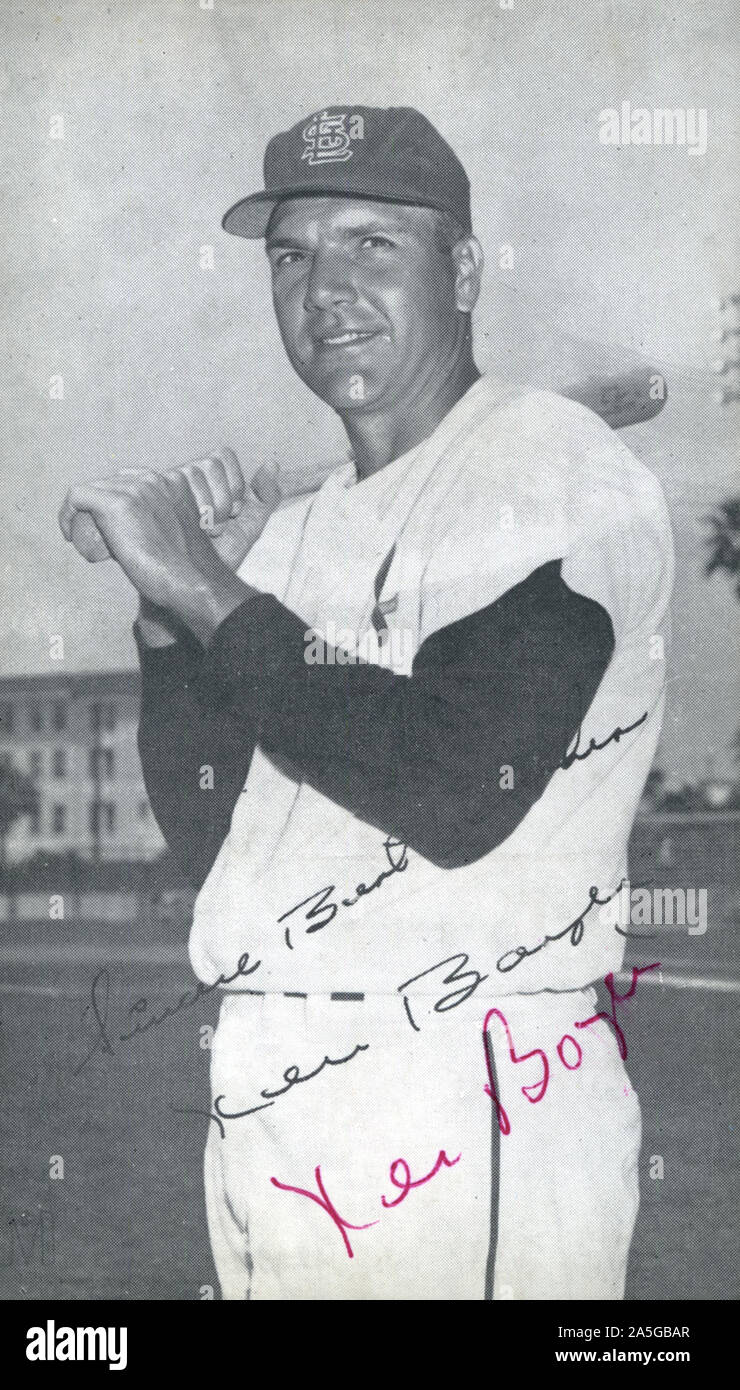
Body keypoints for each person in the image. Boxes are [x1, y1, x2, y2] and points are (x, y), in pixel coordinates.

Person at [60, 105, 674, 1300]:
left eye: (370, 244)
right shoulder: (298, 528)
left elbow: (454, 785)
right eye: (293, 254)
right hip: (271, 1072)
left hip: (458, 1076)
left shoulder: (550, 460)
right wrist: (176, 614)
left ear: (462, 270)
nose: (324, 286)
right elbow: (209, 825)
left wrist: (203, 581)